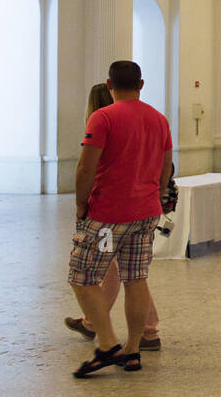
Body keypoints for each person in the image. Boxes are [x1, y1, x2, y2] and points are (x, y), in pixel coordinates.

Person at [69, 60, 173, 377]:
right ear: (141, 85)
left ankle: (107, 344)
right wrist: (154, 196)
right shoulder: (159, 119)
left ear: (109, 84)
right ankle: (132, 350)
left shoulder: (103, 117)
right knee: (135, 278)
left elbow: (86, 168)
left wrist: (81, 205)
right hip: (145, 213)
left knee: (83, 277)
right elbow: (166, 168)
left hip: (107, 217)